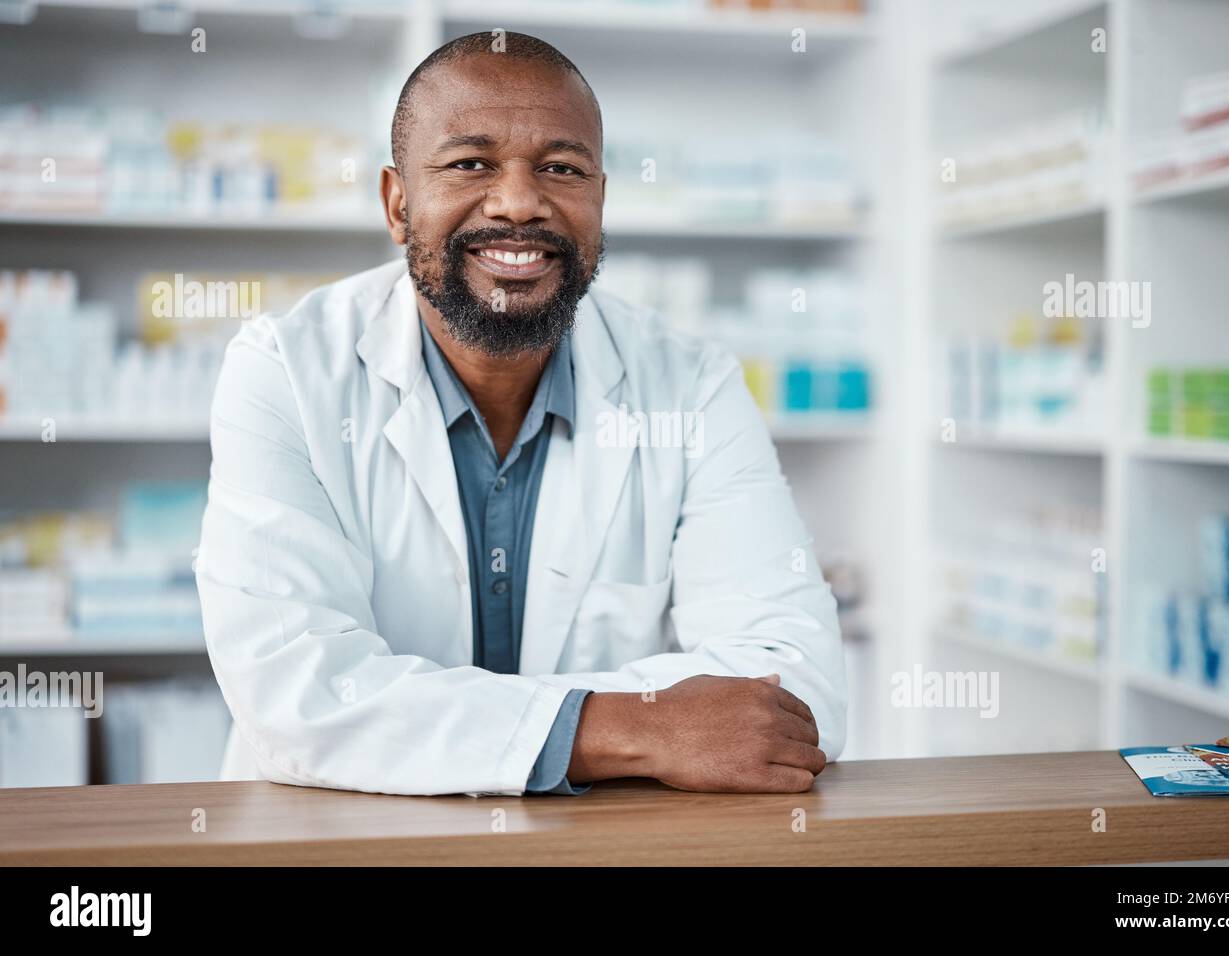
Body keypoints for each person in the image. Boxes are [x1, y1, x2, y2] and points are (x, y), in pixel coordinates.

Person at [196, 31, 846, 797]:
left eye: (561, 169)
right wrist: (634, 724)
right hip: (346, 837)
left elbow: (792, 691)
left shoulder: (693, 385)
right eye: (471, 163)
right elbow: (295, 693)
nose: (518, 203)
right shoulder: (286, 370)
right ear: (398, 204)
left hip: (605, 845)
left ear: (599, 203)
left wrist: (430, 723)